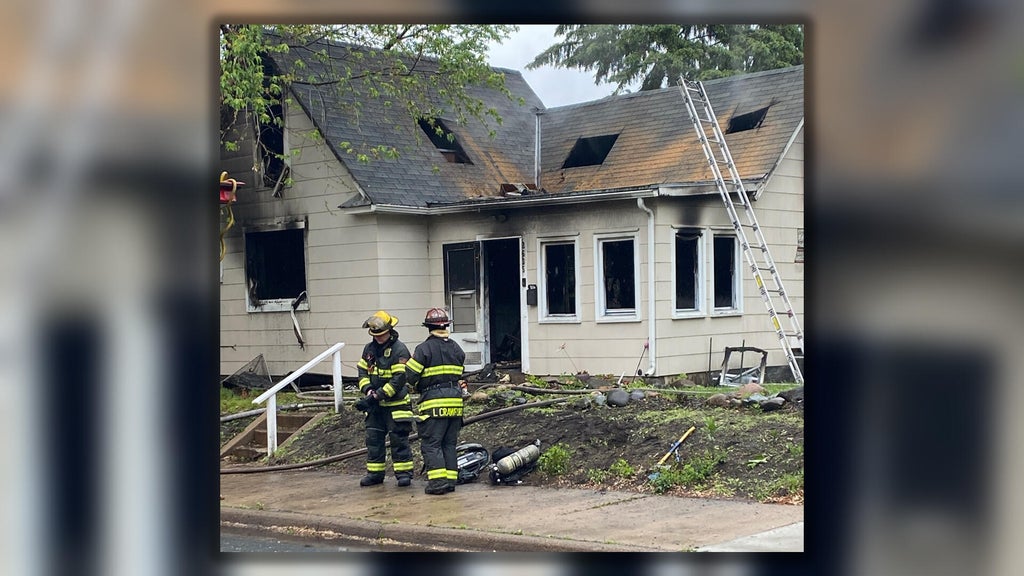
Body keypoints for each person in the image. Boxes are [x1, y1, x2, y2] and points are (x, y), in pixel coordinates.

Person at [405, 308, 466, 495]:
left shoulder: (423, 349)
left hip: (433, 404)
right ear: (446, 325)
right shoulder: (456, 348)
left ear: (428, 327)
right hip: (455, 404)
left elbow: (411, 375)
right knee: (449, 444)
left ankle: (438, 483)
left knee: (432, 444)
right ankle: (450, 481)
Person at [356, 310, 415, 487]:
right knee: (373, 440)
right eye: (375, 335)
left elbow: (399, 380)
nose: (379, 338)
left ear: (389, 331)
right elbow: (362, 371)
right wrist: (367, 390)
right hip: (375, 406)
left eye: (381, 335)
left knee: (399, 440)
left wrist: (378, 395)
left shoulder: (400, 350)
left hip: (396, 405)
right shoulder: (369, 349)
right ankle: (375, 474)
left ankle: (404, 474)